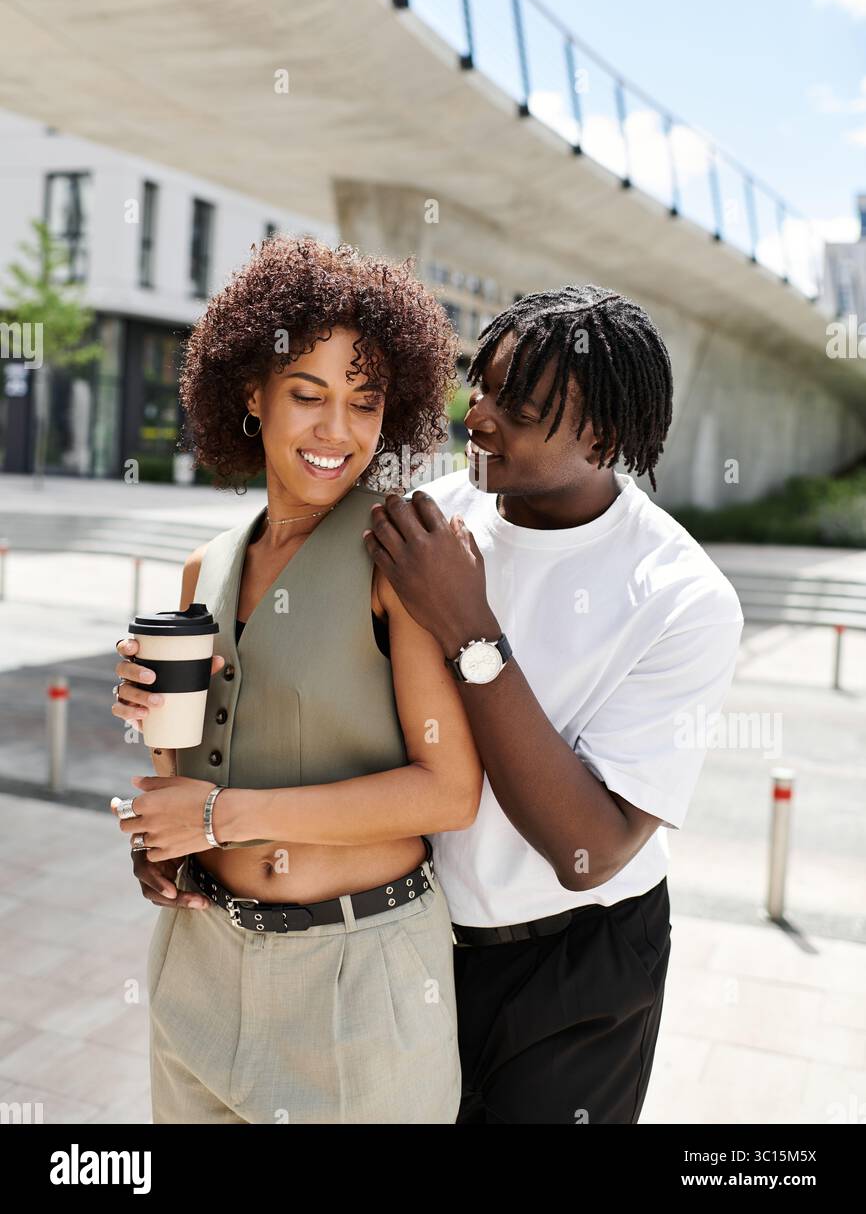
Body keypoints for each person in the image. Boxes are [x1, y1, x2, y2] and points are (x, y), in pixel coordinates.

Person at [110, 235, 481, 1125]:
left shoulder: (399, 552)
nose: (336, 432)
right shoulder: (208, 567)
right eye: (307, 394)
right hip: (200, 964)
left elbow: (449, 790)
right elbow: (192, 779)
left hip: (357, 988)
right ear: (252, 392)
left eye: (363, 403)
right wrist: (166, 830)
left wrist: (221, 816)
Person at [363, 284, 745, 1124]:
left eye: (520, 406)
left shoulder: (682, 598)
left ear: (603, 439)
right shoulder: (432, 521)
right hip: (418, 940)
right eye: (483, 384)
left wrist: (471, 628)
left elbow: (592, 848)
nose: (481, 415)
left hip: (581, 964)